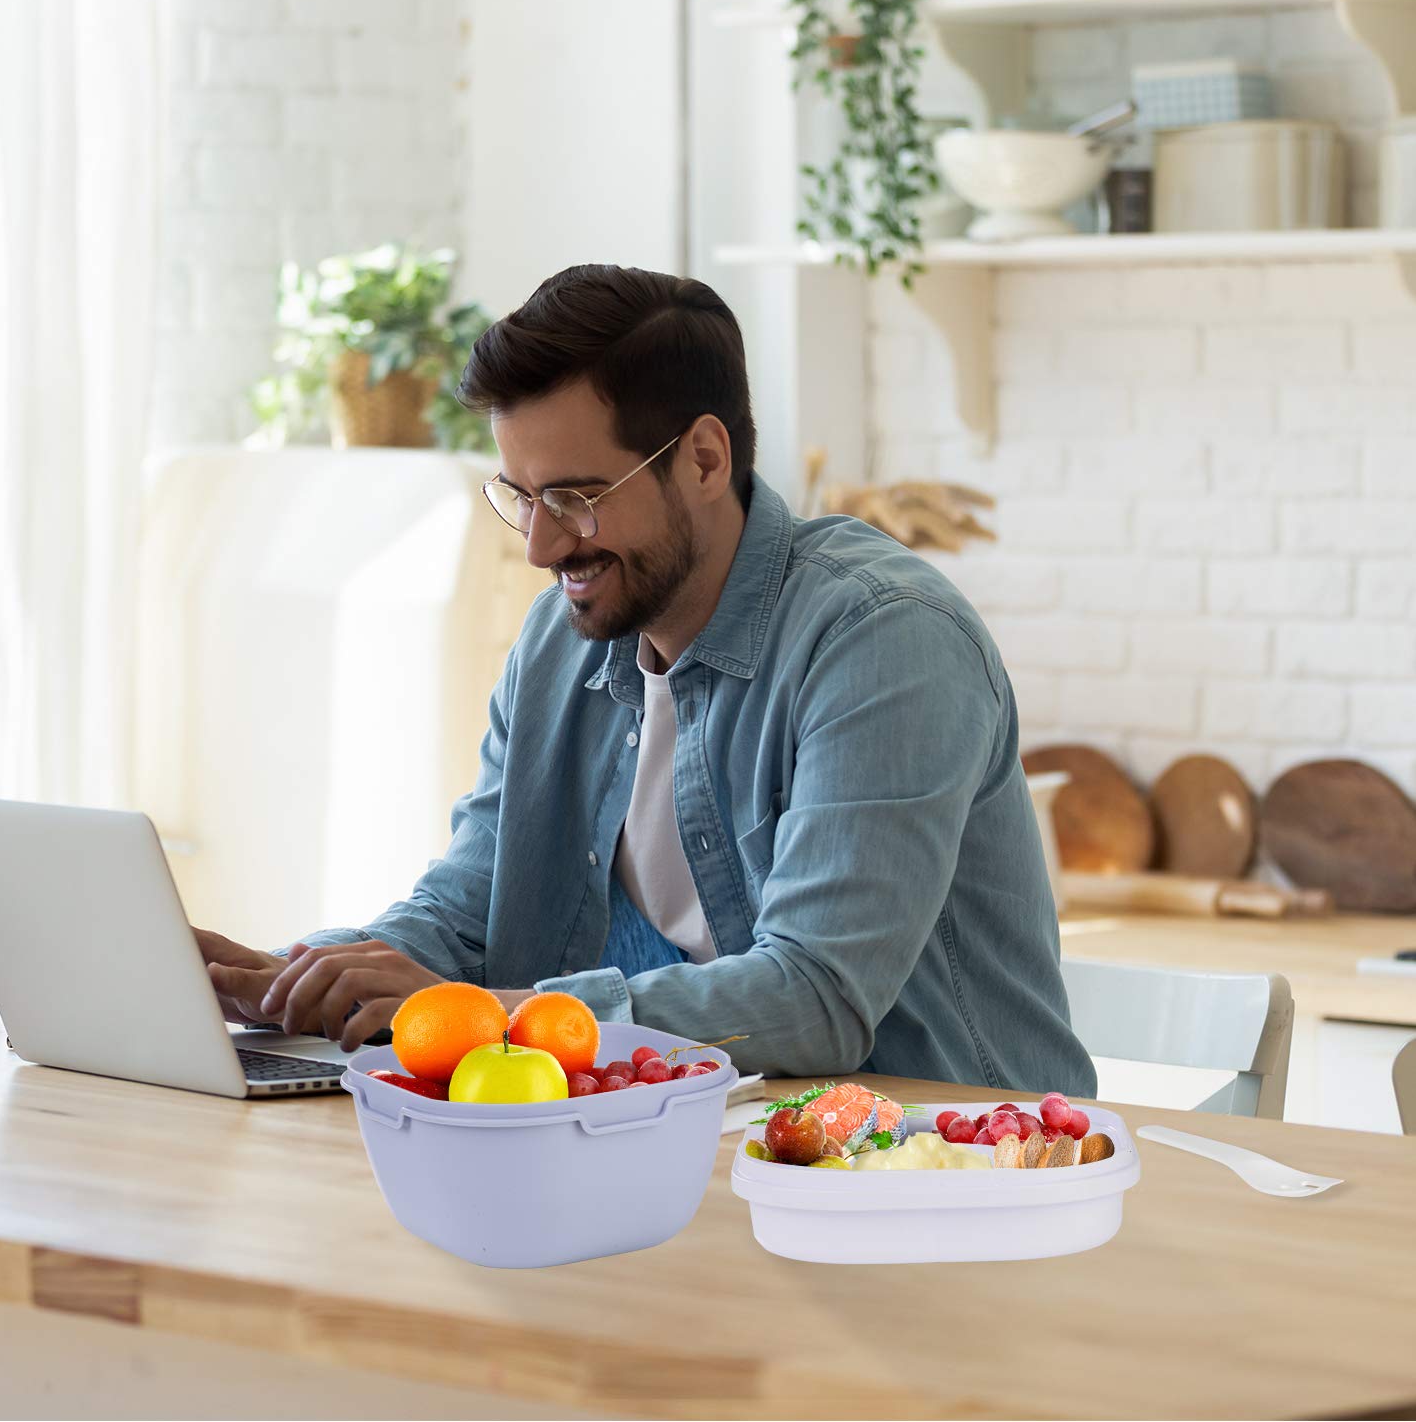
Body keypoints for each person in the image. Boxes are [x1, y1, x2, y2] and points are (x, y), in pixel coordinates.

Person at [199, 264, 1095, 1094]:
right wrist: (301, 975)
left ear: (704, 460)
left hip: (951, 1169)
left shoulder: (883, 640)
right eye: (521, 497)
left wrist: (491, 1019)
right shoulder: (561, 642)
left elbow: (816, 996)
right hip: (706, 1149)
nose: (541, 548)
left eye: (575, 499)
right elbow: (470, 909)